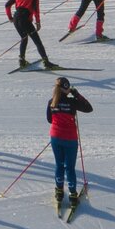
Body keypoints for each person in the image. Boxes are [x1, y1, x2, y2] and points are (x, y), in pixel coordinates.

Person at [47, 76, 93, 210]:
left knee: (59, 165)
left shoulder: (51, 102)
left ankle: (59, 191)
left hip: (55, 137)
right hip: (70, 139)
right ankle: (73, 195)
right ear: (67, 89)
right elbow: (88, 108)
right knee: (70, 167)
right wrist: (77, 94)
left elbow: (50, 119)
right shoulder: (72, 102)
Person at [6, 0, 57, 70]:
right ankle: (46, 62)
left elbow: (7, 5)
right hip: (25, 21)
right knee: (37, 42)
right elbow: (36, 11)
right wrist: (38, 22)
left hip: (17, 20)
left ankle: (22, 61)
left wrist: (10, 18)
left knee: (24, 39)